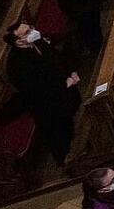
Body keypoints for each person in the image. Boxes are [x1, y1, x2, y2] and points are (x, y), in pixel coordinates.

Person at [5, 19, 80, 163]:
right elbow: (36, 90)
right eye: (27, 32)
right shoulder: (15, 65)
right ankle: (66, 160)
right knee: (59, 135)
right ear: (19, 41)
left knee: (69, 123)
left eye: (31, 28)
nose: (33, 32)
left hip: (65, 94)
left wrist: (72, 71)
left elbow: (58, 57)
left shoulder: (38, 41)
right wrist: (64, 85)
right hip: (48, 106)